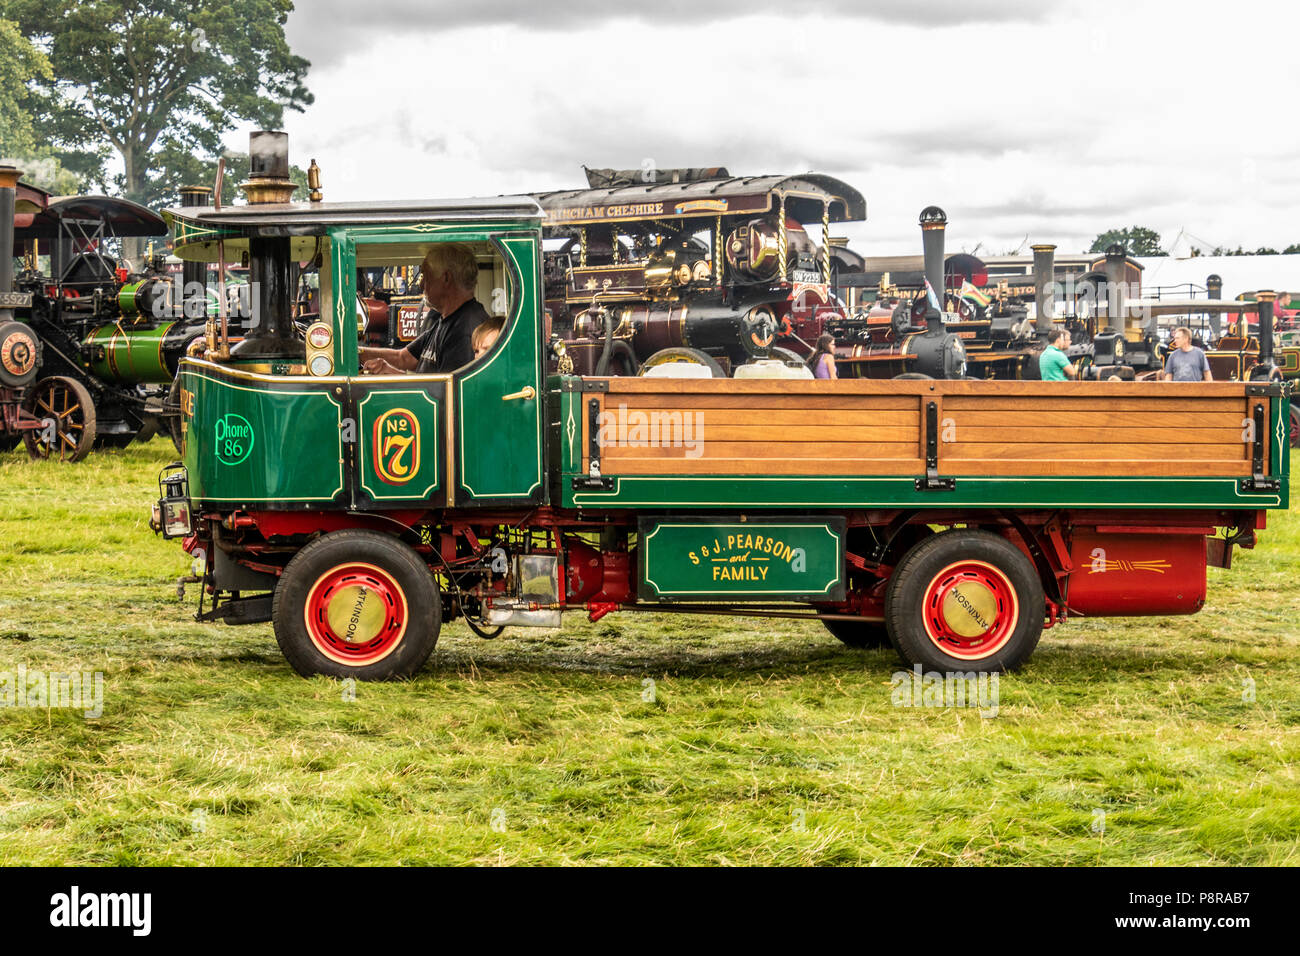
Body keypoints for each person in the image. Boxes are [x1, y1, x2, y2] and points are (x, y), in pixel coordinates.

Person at [359, 243, 486, 374]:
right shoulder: (446, 320)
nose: (421, 284)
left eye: (426, 275)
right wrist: (356, 353)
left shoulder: (466, 330)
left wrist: (389, 372)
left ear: (446, 278)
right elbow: (403, 358)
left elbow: (445, 391)